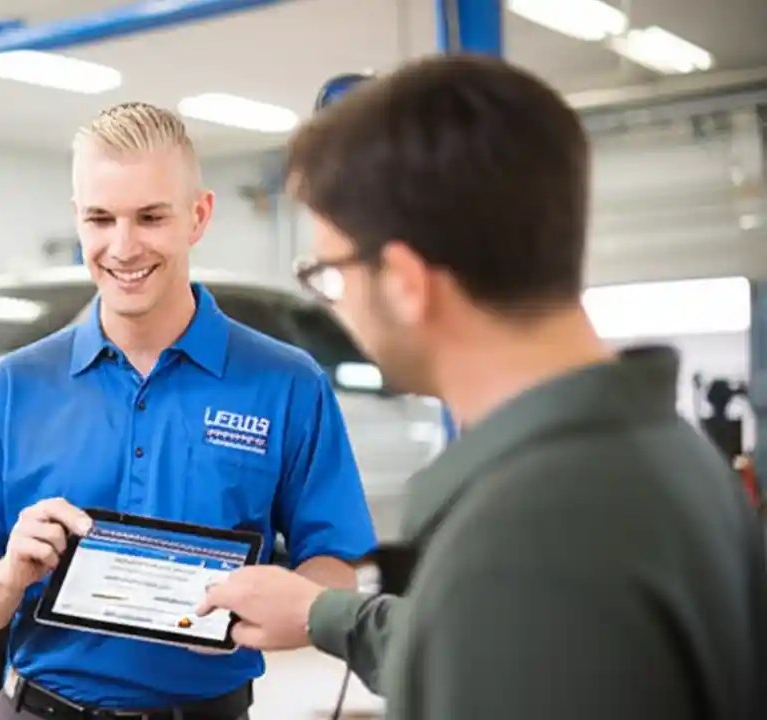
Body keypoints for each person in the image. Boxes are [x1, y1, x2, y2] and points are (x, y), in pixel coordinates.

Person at [198, 54, 767, 719]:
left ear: (406, 284)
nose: (336, 305)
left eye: (329, 275)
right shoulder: (676, 460)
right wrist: (330, 615)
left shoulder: (517, 543)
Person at [0, 101, 378, 720]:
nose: (123, 246)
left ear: (198, 216)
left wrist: (284, 608)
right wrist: (8, 576)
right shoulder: (12, 388)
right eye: (101, 218)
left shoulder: (287, 385)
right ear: (78, 221)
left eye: (150, 217)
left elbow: (334, 570)